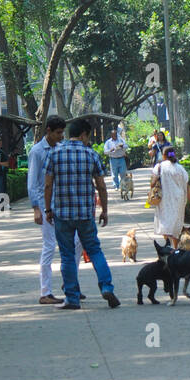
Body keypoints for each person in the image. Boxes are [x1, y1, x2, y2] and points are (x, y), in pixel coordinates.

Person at [44, 117, 120, 309]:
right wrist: (104, 210)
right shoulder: (91, 154)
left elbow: (48, 185)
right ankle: (106, 287)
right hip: (86, 213)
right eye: (88, 136)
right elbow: (101, 186)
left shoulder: (54, 153)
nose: (88, 140)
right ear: (84, 134)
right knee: (95, 251)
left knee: (67, 255)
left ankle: (72, 298)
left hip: (63, 214)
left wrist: (48, 209)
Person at [28, 115, 81, 304]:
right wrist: (36, 208)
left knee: (77, 243)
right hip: (45, 205)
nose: (61, 136)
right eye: (58, 133)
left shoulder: (61, 148)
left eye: (62, 133)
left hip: (63, 204)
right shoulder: (37, 151)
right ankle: (45, 292)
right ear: (48, 131)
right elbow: (32, 182)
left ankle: (70, 285)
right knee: (49, 246)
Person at [150, 145, 190, 248]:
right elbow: (187, 186)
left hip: (165, 200)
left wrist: (155, 182)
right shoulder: (180, 168)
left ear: (164, 155)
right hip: (179, 200)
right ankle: (175, 247)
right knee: (176, 226)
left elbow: (153, 183)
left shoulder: (159, 167)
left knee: (166, 224)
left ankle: (168, 245)